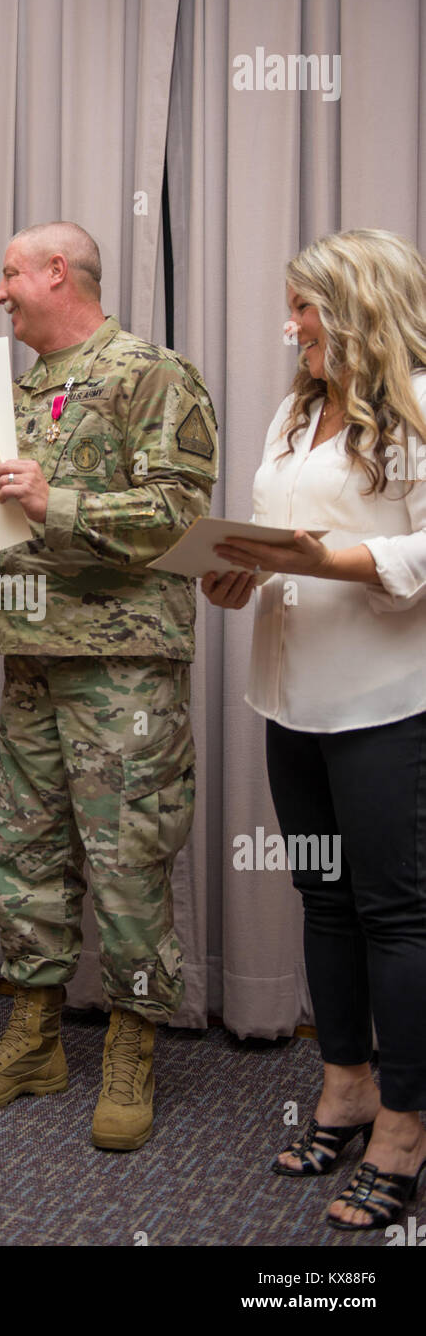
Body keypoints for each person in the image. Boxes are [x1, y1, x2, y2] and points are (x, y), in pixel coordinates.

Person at [0, 221, 218, 1149]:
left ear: (58, 272)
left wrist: (60, 501)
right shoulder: (14, 394)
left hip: (124, 669)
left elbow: (181, 513)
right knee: (29, 860)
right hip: (34, 663)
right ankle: (35, 1037)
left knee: (129, 866)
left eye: (10, 273)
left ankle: (132, 1050)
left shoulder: (151, 373)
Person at [203, 229, 426, 1230]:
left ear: (357, 307)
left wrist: (317, 557)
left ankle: (406, 1125)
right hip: (288, 697)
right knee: (322, 897)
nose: (290, 326)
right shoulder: (294, 413)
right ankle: (345, 1084)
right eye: (290, 308)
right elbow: (271, 540)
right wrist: (233, 570)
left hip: (385, 704)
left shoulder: (418, 407)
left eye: (304, 308)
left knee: (394, 913)